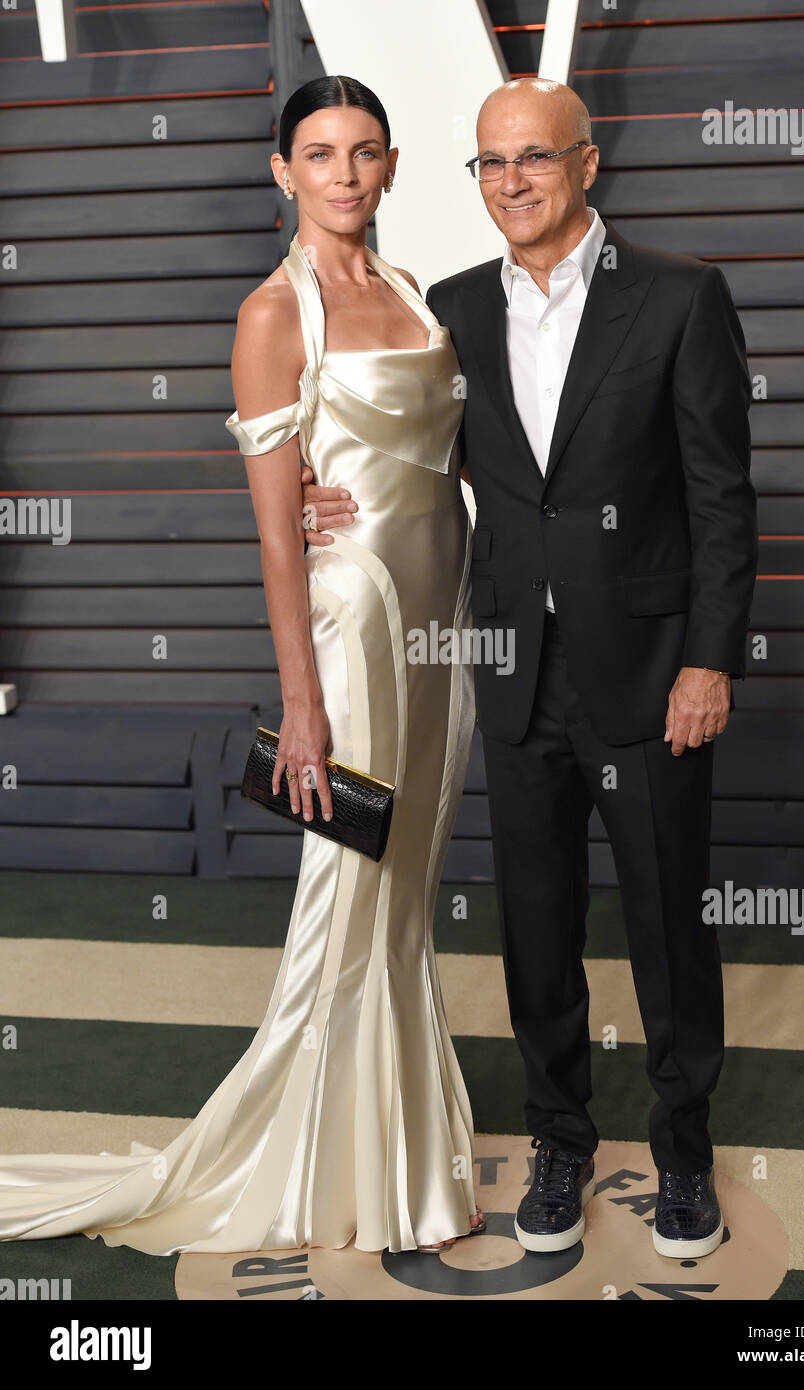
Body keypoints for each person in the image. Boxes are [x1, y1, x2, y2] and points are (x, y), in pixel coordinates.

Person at [0, 76, 484, 1257]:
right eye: (318, 154)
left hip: (446, 622)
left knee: (405, 895)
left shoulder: (414, 292)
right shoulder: (275, 315)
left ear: (391, 163)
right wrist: (302, 714)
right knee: (347, 892)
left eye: (364, 152)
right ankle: (313, 1160)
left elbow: (448, 456)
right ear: (283, 171)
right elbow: (277, 534)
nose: (344, 175)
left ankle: (403, 1156)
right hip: (357, 626)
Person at [301, 77, 759, 1258]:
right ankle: (559, 1140)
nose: (511, 182)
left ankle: (683, 1153)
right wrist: (317, 496)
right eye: (490, 164)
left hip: (653, 671)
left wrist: (709, 661)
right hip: (509, 669)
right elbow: (403, 452)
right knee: (535, 926)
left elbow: (721, 500)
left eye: (534, 160)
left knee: (667, 922)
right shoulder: (450, 308)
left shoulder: (678, 297)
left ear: (586, 163)